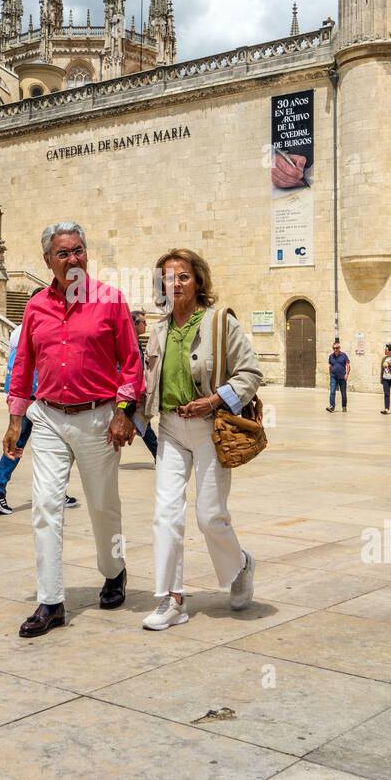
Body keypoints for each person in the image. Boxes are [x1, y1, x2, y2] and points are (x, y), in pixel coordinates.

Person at [3, 222, 144, 638]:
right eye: (63, 253)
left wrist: (124, 411)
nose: (74, 259)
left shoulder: (110, 301)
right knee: (46, 505)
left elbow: (132, 364)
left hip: (98, 418)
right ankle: (51, 601)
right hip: (47, 417)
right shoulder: (35, 308)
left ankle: (113, 572)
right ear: (48, 261)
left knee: (103, 505)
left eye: (79, 250)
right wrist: (15, 419)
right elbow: (23, 365)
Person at [139, 248, 262, 630]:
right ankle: (172, 598)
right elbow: (148, 383)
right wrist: (129, 417)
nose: (174, 284)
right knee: (165, 513)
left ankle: (240, 564)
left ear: (198, 282)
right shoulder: (158, 331)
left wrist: (213, 399)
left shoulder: (219, 323)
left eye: (182, 277)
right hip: (172, 429)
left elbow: (250, 373)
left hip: (212, 426)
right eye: (167, 278)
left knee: (209, 515)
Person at [0, 318, 79, 515]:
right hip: (43, 397)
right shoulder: (47, 327)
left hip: (22, 397)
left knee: (16, 446)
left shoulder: (17, 331)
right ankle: (57, 492)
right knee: (59, 447)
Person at [129, 310, 159, 459]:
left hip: (138, 393)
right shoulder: (128, 343)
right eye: (143, 322)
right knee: (143, 425)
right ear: (135, 324)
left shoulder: (136, 343)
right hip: (131, 395)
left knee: (144, 424)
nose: (146, 325)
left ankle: (158, 455)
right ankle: (159, 455)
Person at [326, 338, 350, 412]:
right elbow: (330, 366)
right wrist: (330, 374)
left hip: (342, 377)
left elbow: (348, 365)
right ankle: (332, 406)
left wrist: (346, 374)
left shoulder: (344, 355)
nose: (335, 349)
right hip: (334, 377)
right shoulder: (331, 356)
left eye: (336, 348)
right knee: (332, 392)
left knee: (343, 393)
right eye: (334, 348)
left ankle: (344, 406)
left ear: (339, 348)